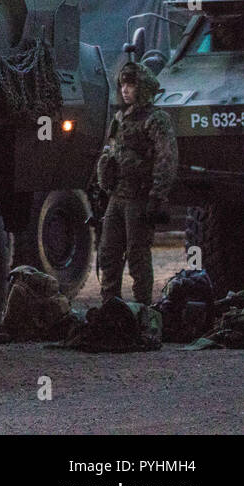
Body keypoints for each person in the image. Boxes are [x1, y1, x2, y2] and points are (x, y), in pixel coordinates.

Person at [92, 61, 178, 306]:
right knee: (108, 254)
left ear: (143, 87)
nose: (125, 89)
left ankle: (143, 310)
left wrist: (157, 196)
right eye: (123, 84)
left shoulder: (156, 119)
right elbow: (111, 150)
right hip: (117, 196)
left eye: (131, 84)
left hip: (139, 198)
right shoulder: (120, 118)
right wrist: (102, 182)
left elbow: (166, 159)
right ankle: (111, 308)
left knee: (137, 256)